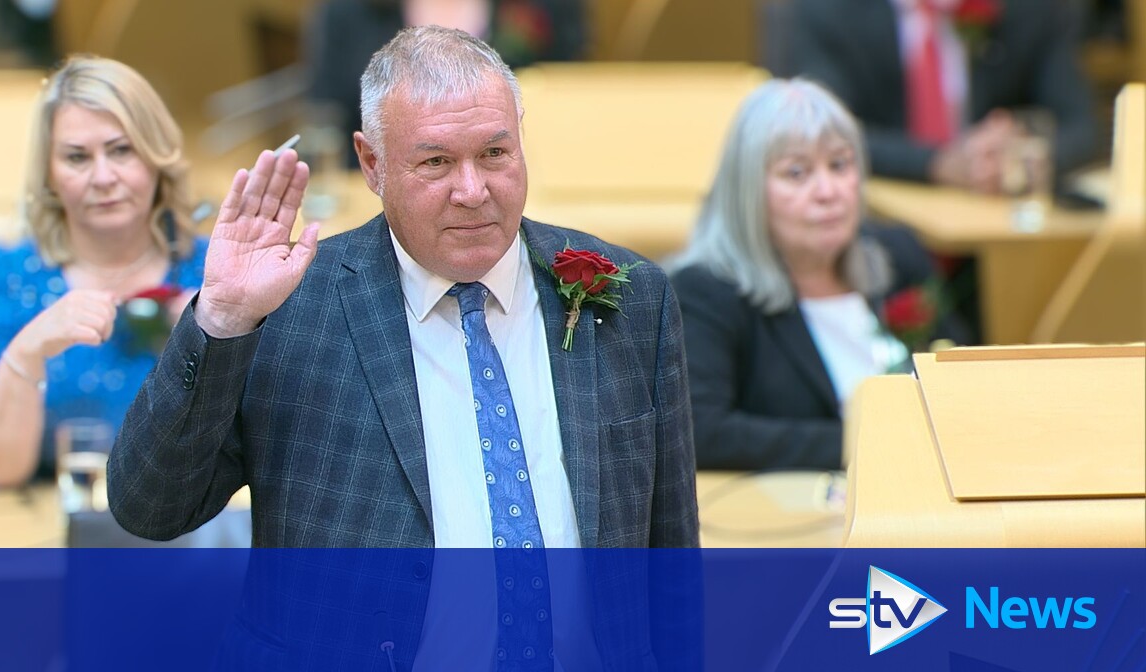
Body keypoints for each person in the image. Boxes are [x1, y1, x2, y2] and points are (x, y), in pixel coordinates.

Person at [108, 25, 698, 669]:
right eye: (436, 162)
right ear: (371, 164)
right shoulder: (290, 306)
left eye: (495, 152)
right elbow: (151, 507)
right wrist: (222, 319)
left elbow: (670, 561)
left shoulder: (631, 298)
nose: (472, 189)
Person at [0, 56, 208, 488]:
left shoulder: (216, 274)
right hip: (47, 517)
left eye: (121, 150)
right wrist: (27, 351)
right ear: (49, 175)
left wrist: (219, 341)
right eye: (76, 157)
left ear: (157, 158)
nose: (102, 177)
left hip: (195, 519)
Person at [669, 78, 947, 471]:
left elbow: (960, 380)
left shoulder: (898, 256)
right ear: (747, 191)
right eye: (797, 173)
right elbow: (703, 432)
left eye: (839, 165)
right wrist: (871, 442)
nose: (828, 191)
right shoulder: (706, 291)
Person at [790, 0, 1097, 192]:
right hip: (883, 221)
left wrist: (1020, 157)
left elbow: (1082, 126)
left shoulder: (1030, 9)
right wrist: (936, 163)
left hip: (998, 220)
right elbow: (825, 131)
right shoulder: (829, 10)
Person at [303, 0, 587, 166]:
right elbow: (327, 118)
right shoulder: (348, 11)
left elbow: (573, 94)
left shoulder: (549, 7)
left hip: (528, 182)